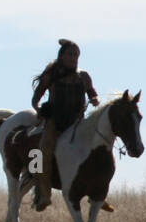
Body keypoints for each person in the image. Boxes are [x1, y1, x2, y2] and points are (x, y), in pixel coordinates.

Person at [31, 39, 99, 211]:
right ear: (61, 56)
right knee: (40, 154)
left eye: (76, 55)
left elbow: (93, 94)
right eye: (70, 54)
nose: (74, 58)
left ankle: (98, 193)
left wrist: (95, 99)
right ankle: (44, 195)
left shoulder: (83, 76)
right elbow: (35, 99)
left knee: (99, 149)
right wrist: (40, 110)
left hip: (77, 123)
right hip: (55, 122)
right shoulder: (51, 76)